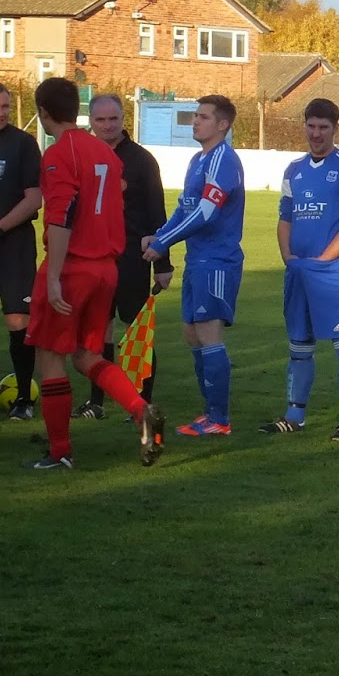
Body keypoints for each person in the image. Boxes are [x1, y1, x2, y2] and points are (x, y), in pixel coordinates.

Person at [23, 77, 165, 470]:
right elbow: (115, 197)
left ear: (43, 112)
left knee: (50, 358)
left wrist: (53, 276)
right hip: (107, 268)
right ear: (79, 110)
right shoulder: (104, 152)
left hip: (74, 268)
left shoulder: (58, 153)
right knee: (87, 353)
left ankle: (59, 452)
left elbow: (61, 215)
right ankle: (140, 409)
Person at [258, 98, 339, 439]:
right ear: (304, 125)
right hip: (298, 271)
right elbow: (284, 219)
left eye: (324, 127)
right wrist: (289, 258)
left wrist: (323, 261)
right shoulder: (294, 170)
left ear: (335, 129)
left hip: (332, 272)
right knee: (299, 346)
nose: (316, 133)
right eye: (311, 126)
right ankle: (294, 416)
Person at [142, 94, 245, 436]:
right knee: (192, 334)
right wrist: (160, 234)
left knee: (207, 333)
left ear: (222, 124)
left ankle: (220, 419)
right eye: (195, 116)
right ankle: (210, 414)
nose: (195, 121)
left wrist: (163, 243)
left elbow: (206, 213)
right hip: (198, 260)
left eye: (203, 116)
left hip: (217, 261)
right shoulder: (197, 161)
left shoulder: (223, 161)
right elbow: (186, 209)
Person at [79, 94, 172, 418]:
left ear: (123, 119)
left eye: (113, 119)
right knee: (96, 330)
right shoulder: (83, 157)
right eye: (101, 120)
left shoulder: (142, 160)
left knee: (136, 331)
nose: (107, 125)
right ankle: (96, 402)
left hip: (132, 257)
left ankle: (143, 402)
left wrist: (163, 262)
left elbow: (157, 212)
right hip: (92, 258)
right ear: (90, 121)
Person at [0, 80, 43, 419]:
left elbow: (34, 198)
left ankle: (24, 399)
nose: (1, 113)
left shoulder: (22, 143)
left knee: (18, 320)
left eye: (5, 106)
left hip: (13, 246)